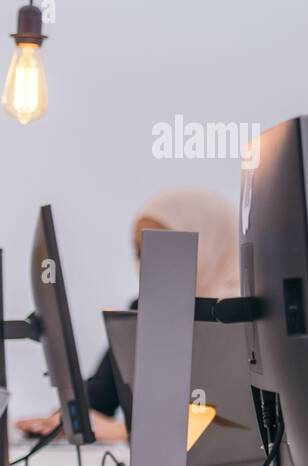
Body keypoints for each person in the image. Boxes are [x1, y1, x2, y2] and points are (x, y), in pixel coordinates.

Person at [16, 187, 241, 444]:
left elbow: (228, 425)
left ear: (210, 243)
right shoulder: (144, 310)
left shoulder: (246, 321)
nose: (145, 265)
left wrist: (124, 432)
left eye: (161, 248)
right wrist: (64, 419)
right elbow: (101, 394)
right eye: (139, 252)